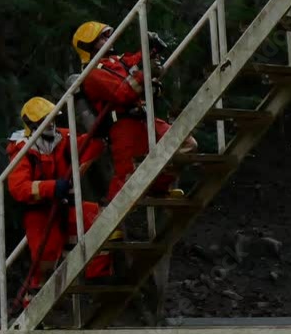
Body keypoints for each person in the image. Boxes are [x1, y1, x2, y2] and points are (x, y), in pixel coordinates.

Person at [71, 21, 197, 202]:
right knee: (126, 179)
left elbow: (136, 60)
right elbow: (123, 93)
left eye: (108, 35)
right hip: (123, 128)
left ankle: (157, 187)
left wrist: (151, 48)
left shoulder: (118, 60)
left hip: (145, 120)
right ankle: (108, 224)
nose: (109, 39)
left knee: (187, 144)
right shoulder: (92, 74)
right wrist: (145, 73)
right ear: (88, 46)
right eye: (102, 38)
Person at [6, 96, 115, 306]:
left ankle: (97, 275)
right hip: (40, 213)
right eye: (47, 120)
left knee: (100, 218)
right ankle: (31, 305)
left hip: (66, 206)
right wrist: (52, 187)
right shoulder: (21, 149)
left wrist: (100, 131)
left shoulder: (62, 138)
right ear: (32, 125)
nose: (52, 124)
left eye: (53, 119)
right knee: (45, 260)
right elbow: (19, 188)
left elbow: (86, 146)